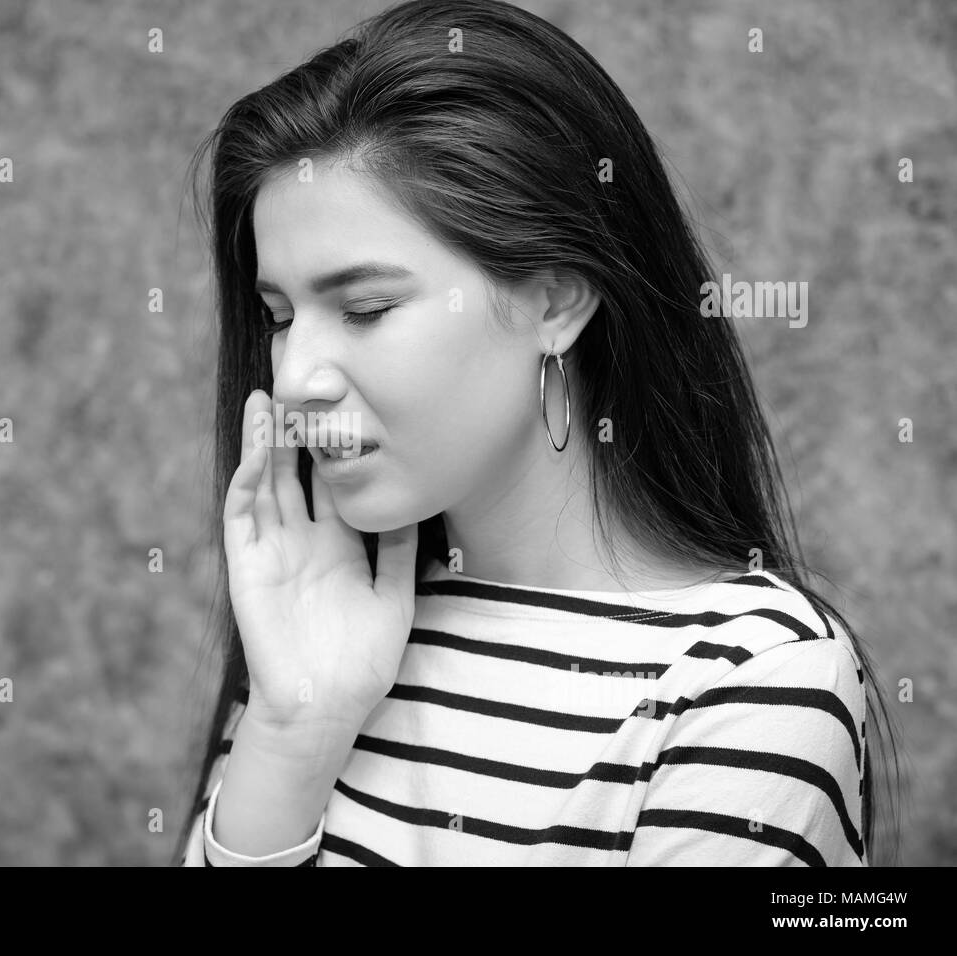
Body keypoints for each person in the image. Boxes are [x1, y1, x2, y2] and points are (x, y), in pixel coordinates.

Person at [173, 0, 900, 866]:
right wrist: (294, 726)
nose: (292, 376)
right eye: (280, 314)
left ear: (554, 301)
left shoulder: (750, 680)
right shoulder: (322, 617)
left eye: (364, 309)